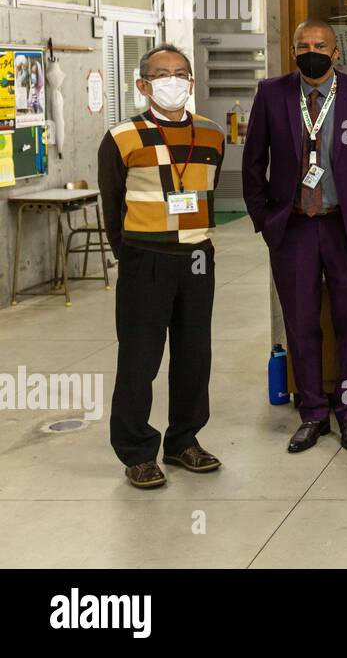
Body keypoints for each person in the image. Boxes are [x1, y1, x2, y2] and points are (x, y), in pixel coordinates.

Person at [242, 20, 347, 453]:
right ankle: (312, 413)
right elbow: (252, 164)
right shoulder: (272, 94)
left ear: (336, 52)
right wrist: (267, 221)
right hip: (294, 230)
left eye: (320, 45)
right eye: (303, 45)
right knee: (301, 324)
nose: (312, 51)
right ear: (292, 50)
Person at [98, 45, 225, 488]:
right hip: (145, 258)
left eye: (180, 73)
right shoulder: (121, 137)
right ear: (143, 85)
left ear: (191, 83)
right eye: (161, 74)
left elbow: (206, 194)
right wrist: (130, 253)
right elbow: (112, 206)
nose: (173, 81)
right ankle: (136, 452)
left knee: (194, 355)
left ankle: (183, 441)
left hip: (196, 257)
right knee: (139, 358)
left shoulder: (211, 135)